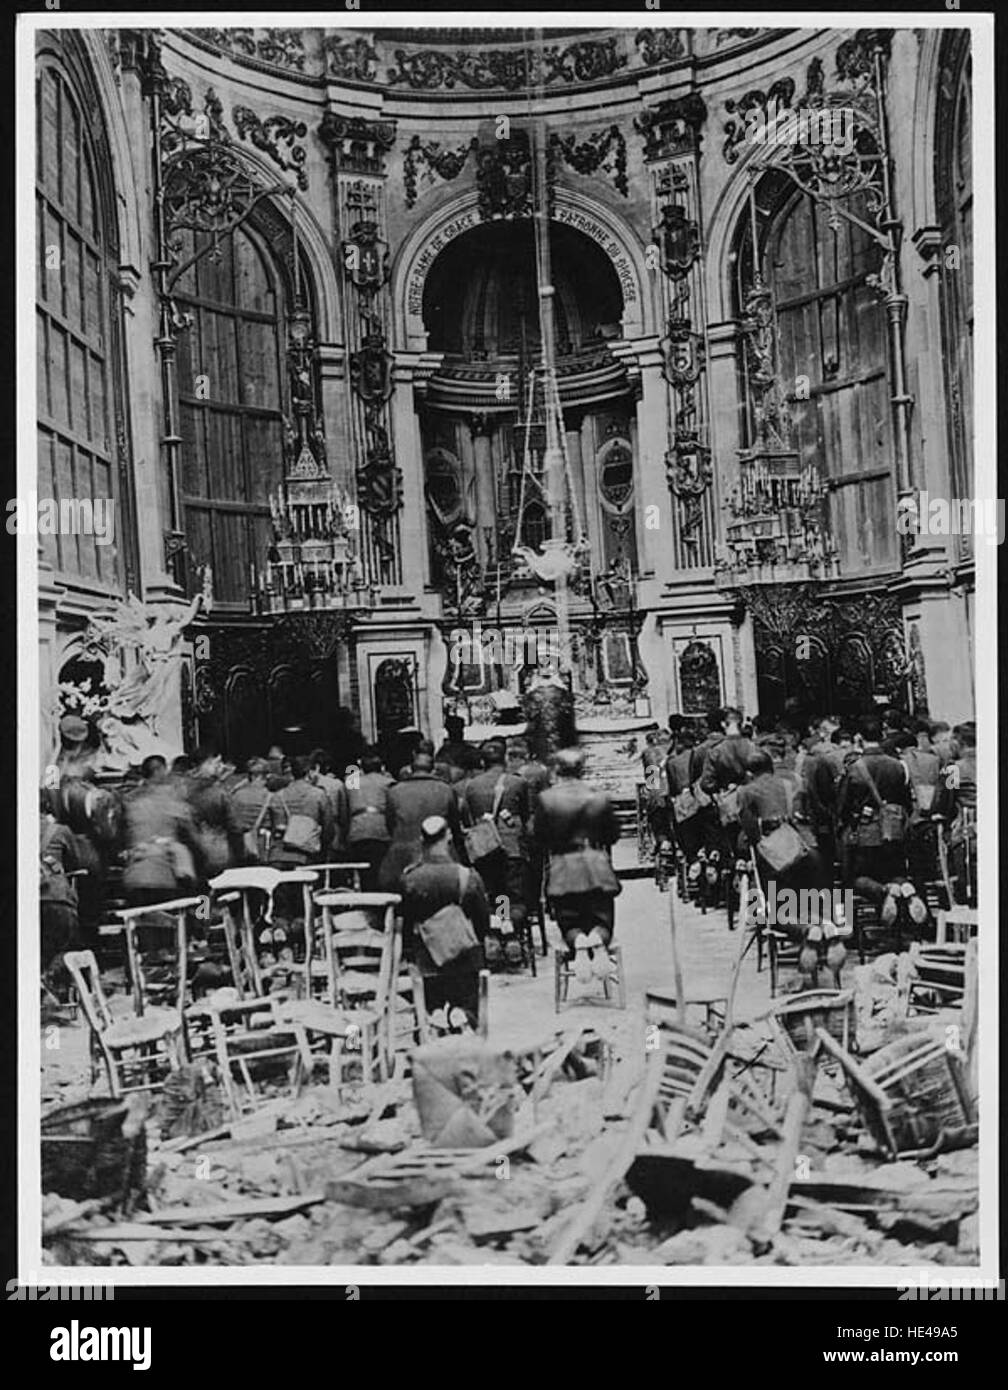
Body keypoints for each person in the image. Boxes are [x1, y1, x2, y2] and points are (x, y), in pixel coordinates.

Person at [739, 749, 843, 986]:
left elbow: (750, 831)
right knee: (816, 899)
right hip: (808, 847)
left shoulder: (747, 791)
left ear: (748, 772)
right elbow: (816, 811)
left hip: (777, 854)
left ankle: (806, 930)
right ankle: (829, 925)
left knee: (770, 910)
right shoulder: (797, 781)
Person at [533, 747, 621, 984]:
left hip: (563, 869)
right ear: (582, 769)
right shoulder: (599, 796)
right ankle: (598, 938)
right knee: (602, 917)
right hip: (596, 865)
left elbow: (539, 838)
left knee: (568, 919)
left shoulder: (546, 798)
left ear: (557, 770)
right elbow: (612, 834)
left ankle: (578, 941)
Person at [400, 815, 490, 1027]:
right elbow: (482, 923)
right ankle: (463, 1015)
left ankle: (435, 1013)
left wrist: (411, 957)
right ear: (448, 836)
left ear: (422, 839)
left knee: (430, 1001)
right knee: (469, 1001)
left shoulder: (409, 878)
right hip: (464, 961)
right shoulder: (467, 876)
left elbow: (405, 925)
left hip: (428, 963)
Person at [837, 715, 922, 929]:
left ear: (859, 738)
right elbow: (906, 801)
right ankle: (905, 888)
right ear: (883, 735)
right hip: (894, 830)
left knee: (856, 878)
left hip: (865, 833)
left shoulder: (855, 767)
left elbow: (843, 806)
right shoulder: (898, 766)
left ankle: (885, 893)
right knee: (894, 872)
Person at [461, 738, 531, 968]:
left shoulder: (471, 786)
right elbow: (525, 815)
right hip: (511, 847)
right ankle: (510, 936)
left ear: (483, 760)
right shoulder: (517, 783)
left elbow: (469, 819)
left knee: (492, 893)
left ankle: (492, 936)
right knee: (512, 894)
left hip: (486, 847)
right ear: (506, 758)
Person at [379, 746, 463, 893]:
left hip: (401, 856)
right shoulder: (446, 790)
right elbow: (454, 823)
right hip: (438, 854)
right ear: (433, 770)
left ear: (411, 769)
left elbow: (390, 824)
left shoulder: (394, 790)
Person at [121, 754, 201, 905]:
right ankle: (202, 920)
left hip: (133, 878)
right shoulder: (172, 801)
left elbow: (121, 837)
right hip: (164, 879)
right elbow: (193, 839)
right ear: (160, 771)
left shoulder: (130, 801)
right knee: (197, 900)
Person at [40, 789, 82, 979]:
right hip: (56, 899)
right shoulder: (59, 831)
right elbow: (76, 862)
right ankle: (54, 984)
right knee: (67, 947)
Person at [269, 754, 333, 868]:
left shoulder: (277, 796)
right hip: (305, 855)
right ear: (309, 772)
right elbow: (328, 829)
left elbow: (273, 825)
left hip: (277, 855)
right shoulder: (318, 795)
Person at [346, 746, 394, 890]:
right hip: (381, 831)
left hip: (357, 830)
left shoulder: (352, 782)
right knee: (381, 871)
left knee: (364, 875)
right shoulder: (388, 782)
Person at [187, 745, 232, 876]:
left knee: (200, 892)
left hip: (191, 852)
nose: (221, 766)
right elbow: (234, 825)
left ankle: (204, 898)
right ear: (207, 763)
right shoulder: (218, 792)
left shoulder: (181, 787)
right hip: (216, 853)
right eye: (217, 762)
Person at [227, 758, 274, 864]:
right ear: (266, 775)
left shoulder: (236, 796)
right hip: (262, 847)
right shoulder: (271, 797)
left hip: (239, 848)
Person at [308, 748, 349, 857]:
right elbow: (343, 813)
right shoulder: (337, 784)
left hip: (312, 830)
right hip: (334, 828)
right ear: (327, 767)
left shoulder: (308, 784)